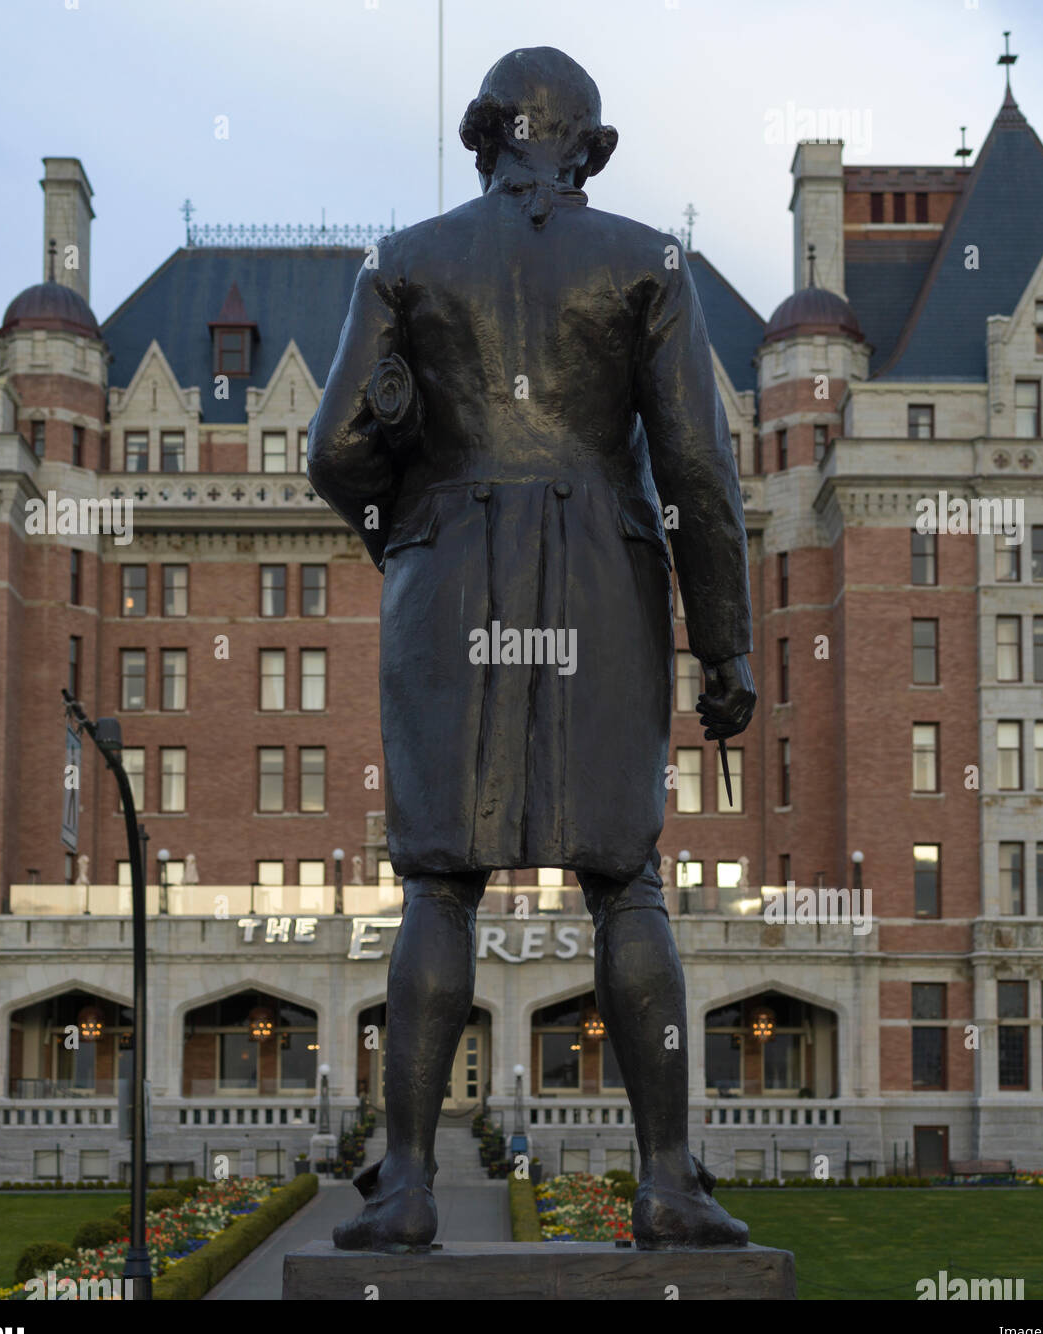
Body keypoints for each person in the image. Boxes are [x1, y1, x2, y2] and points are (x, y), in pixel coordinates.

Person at [308, 46, 756, 1250]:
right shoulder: (644, 263)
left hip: (445, 581)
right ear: (584, 146)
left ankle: (403, 1184)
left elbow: (332, 451)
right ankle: (665, 1178)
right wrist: (724, 648)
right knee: (626, 881)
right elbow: (698, 471)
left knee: (438, 884)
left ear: (487, 136)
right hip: (603, 578)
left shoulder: (401, 262)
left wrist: (405, 535)